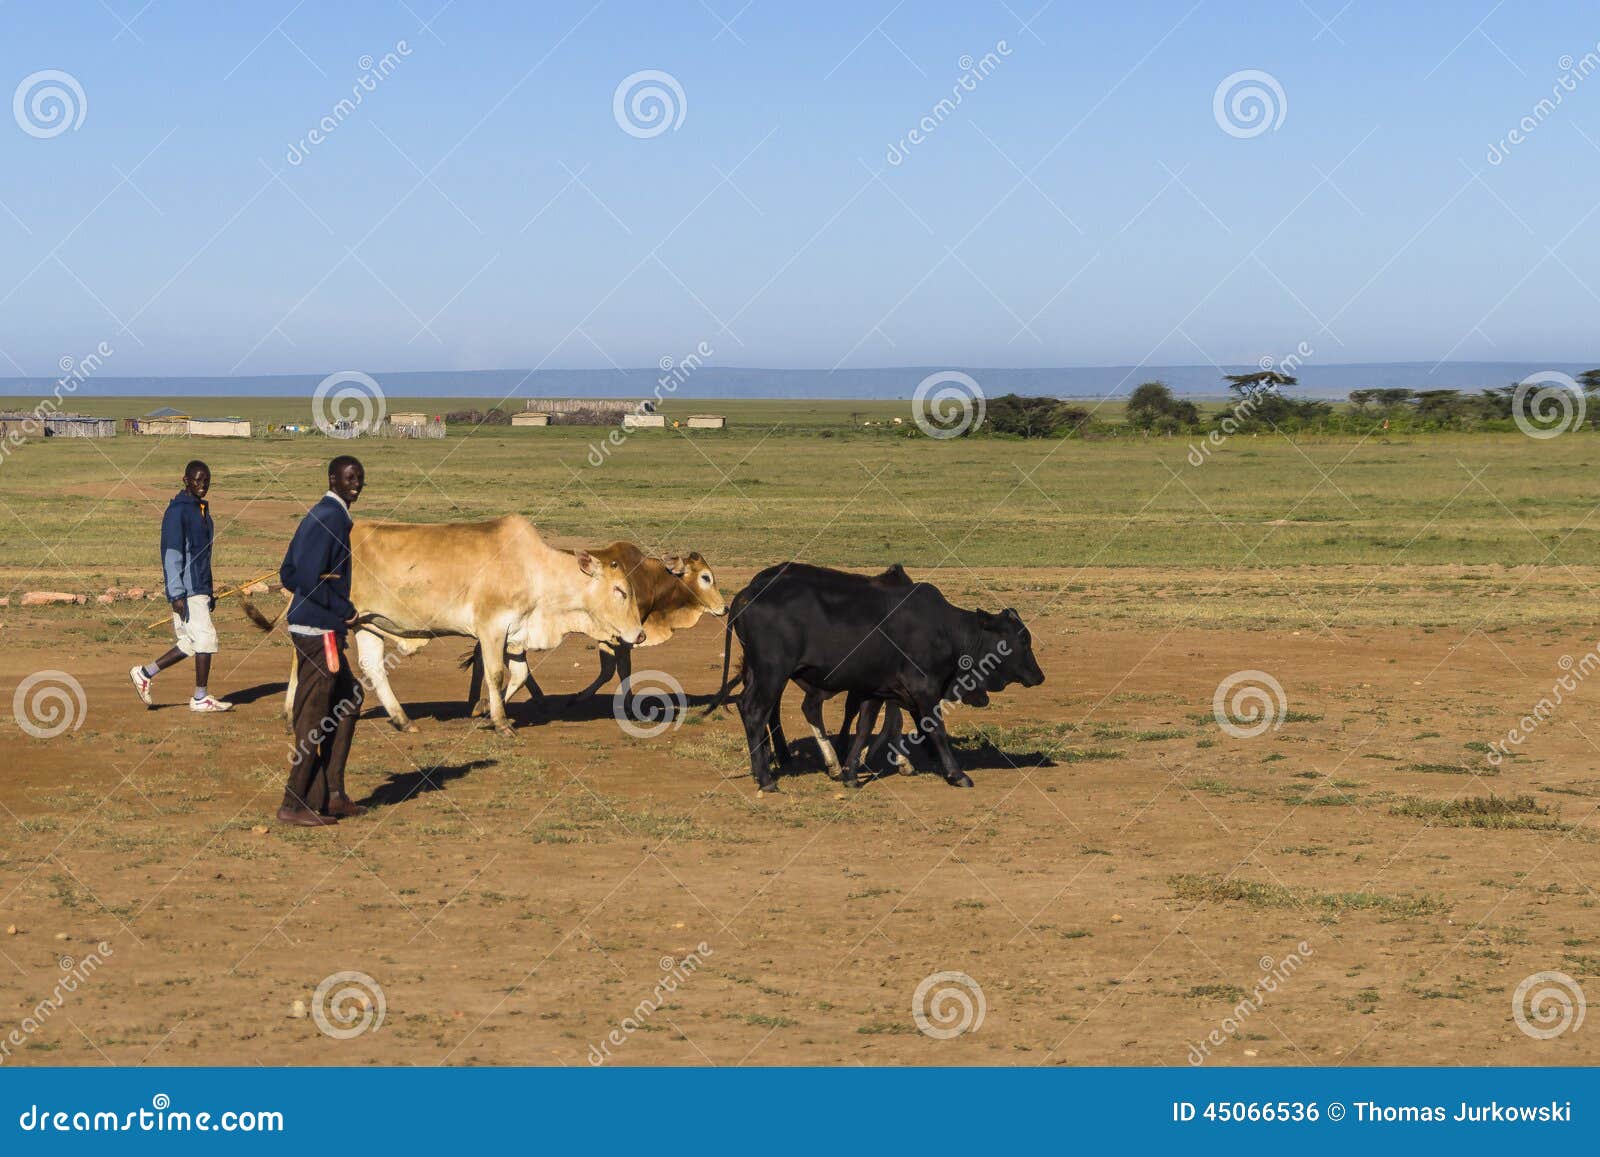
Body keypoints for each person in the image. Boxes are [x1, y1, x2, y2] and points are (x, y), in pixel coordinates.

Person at [277, 455, 368, 828]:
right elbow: (312, 578)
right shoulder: (331, 519)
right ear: (333, 479)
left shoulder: (317, 514)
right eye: (349, 478)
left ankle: (332, 793)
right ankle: (294, 802)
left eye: (360, 478)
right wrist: (342, 608)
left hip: (314, 626)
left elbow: (288, 573)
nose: (356, 484)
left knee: (348, 700)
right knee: (314, 716)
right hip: (321, 633)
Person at [129, 460, 232, 712]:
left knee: (189, 642)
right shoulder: (178, 511)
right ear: (185, 480)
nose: (202, 485)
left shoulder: (202, 512)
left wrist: (209, 591)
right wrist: (176, 593)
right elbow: (172, 554)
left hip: (199, 587)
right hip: (187, 589)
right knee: (206, 639)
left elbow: (203, 556)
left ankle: (145, 673)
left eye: (206, 480)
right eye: (197, 480)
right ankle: (200, 698)